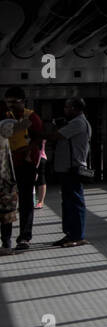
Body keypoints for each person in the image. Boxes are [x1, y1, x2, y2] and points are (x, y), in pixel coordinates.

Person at [44, 98, 93, 247]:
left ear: (74, 109)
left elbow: (55, 136)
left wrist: (49, 129)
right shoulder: (74, 122)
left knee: (75, 202)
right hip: (67, 168)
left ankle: (77, 236)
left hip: (73, 168)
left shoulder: (78, 123)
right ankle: (70, 233)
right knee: (68, 202)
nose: (64, 110)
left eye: (67, 107)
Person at [2, 86, 43, 252]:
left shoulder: (32, 117)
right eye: (8, 102)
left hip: (26, 164)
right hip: (6, 165)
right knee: (6, 203)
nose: (10, 105)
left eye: (14, 102)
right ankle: (6, 240)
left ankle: (24, 238)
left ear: (23, 101)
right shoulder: (5, 116)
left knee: (26, 201)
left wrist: (28, 151)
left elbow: (38, 138)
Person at [0, 123, 17, 254]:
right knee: (6, 214)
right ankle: (6, 244)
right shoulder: (4, 138)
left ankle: (6, 244)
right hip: (7, 180)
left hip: (5, 181)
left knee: (6, 213)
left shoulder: (3, 138)